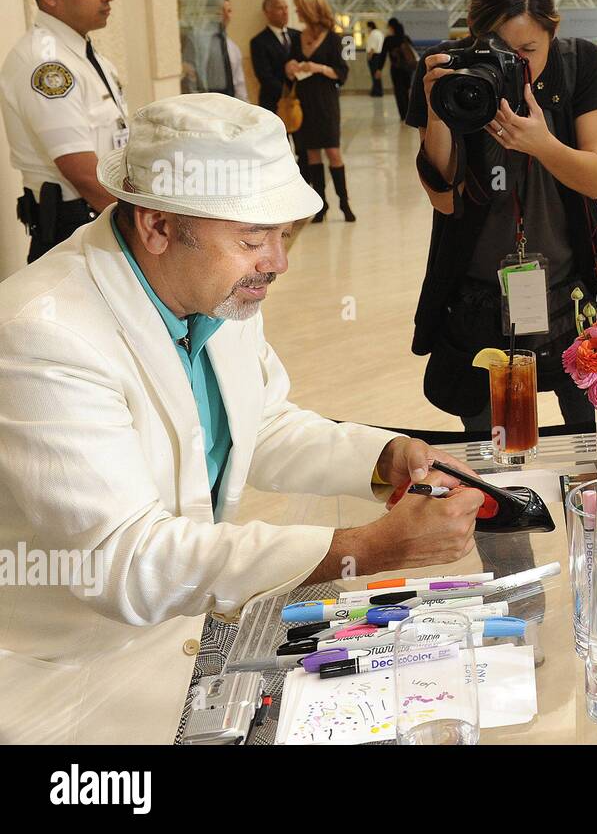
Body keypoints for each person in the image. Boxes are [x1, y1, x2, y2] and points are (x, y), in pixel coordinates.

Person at [0, 94, 485, 743]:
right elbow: (127, 559)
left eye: (282, 235)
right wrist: (364, 547)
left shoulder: (204, 285)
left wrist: (381, 455)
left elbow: (259, 423)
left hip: (188, 641)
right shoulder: (44, 334)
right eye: (253, 238)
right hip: (74, 692)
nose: (278, 262)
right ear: (158, 226)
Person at [405, 0, 597, 433]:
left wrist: (541, 144)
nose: (516, 62)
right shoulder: (450, 69)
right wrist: (440, 110)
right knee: (490, 450)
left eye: (529, 49)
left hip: (571, 291)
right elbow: (444, 200)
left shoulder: (580, 63)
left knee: (588, 438)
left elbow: (595, 177)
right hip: (477, 297)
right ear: (473, 33)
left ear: (553, 31)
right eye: (499, 48)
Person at [0, 0, 125, 262]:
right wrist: (140, 227)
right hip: (74, 232)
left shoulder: (84, 55)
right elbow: (81, 171)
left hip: (102, 221)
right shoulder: (45, 64)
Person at [289, 0, 353, 223]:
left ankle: (344, 202)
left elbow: (342, 72)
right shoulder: (297, 37)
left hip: (325, 100)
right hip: (304, 100)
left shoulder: (333, 38)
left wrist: (317, 67)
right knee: (311, 153)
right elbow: (289, 64)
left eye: (298, 7)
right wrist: (292, 66)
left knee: (333, 152)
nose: (296, 11)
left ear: (309, 8)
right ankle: (321, 204)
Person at [182, 0, 247, 101]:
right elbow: (189, 77)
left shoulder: (233, 47)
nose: (226, 16)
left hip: (230, 105)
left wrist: (244, 107)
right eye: (221, 11)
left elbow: (239, 83)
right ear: (209, 13)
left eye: (229, 11)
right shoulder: (196, 40)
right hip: (204, 104)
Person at [249, 0, 302, 112]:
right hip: (274, 102)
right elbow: (264, 76)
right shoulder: (259, 42)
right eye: (280, 8)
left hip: (300, 100)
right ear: (267, 12)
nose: (285, 12)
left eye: (286, 8)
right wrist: (288, 94)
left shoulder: (298, 35)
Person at [382, 17, 417, 122]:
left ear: (391, 27)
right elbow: (412, 53)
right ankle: (408, 113)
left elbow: (383, 55)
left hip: (396, 69)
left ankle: (403, 115)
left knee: (399, 91)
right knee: (406, 90)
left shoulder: (388, 40)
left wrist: (378, 69)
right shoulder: (405, 38)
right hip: (407, 69)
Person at [365, 20, 385, 97]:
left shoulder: (373, 34)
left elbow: (372, 47)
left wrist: (369, 57)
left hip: (374, 56)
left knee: (374, 74)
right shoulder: (380, 33)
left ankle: (377, 91)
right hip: (380, 55)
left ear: (370, 27)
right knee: (377, 74)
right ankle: (377, 90)